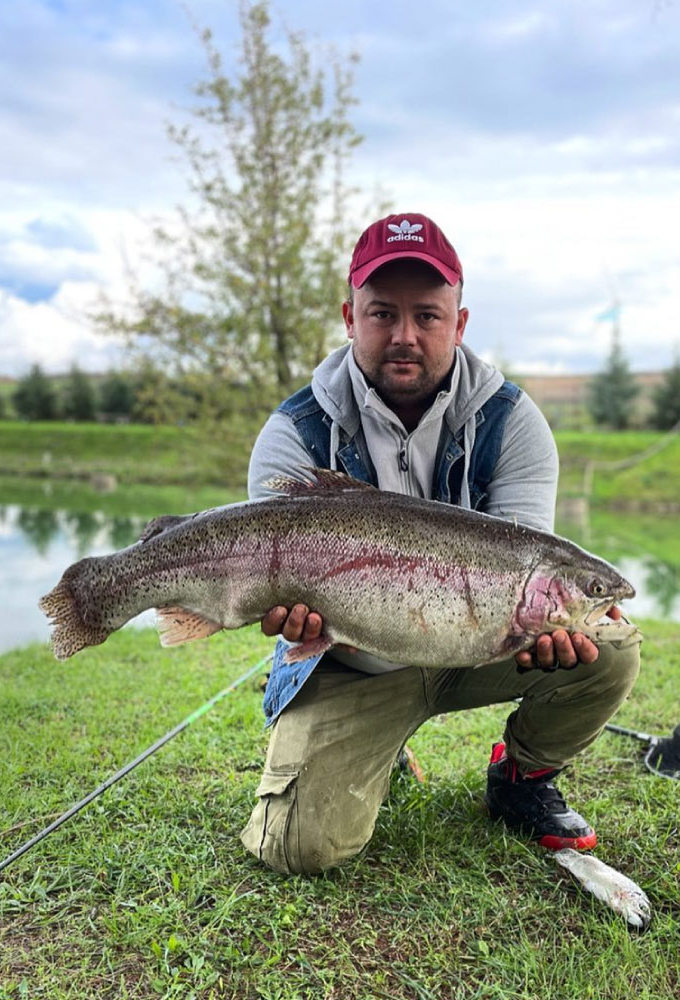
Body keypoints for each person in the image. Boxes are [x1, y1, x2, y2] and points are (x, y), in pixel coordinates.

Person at [242, 213, 641, 875]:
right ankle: (383, 744)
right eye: (381, 314)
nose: (405, 335)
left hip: (473, 647)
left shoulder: (513, 424)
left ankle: (522, 780)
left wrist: (555, 625)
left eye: (427, 316)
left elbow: (529, 558)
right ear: (349, 316)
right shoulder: (293, 434)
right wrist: (284, 612)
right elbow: (263, 575)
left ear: (458, 323)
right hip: (347, 662)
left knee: (609, 648)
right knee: (297, 851)